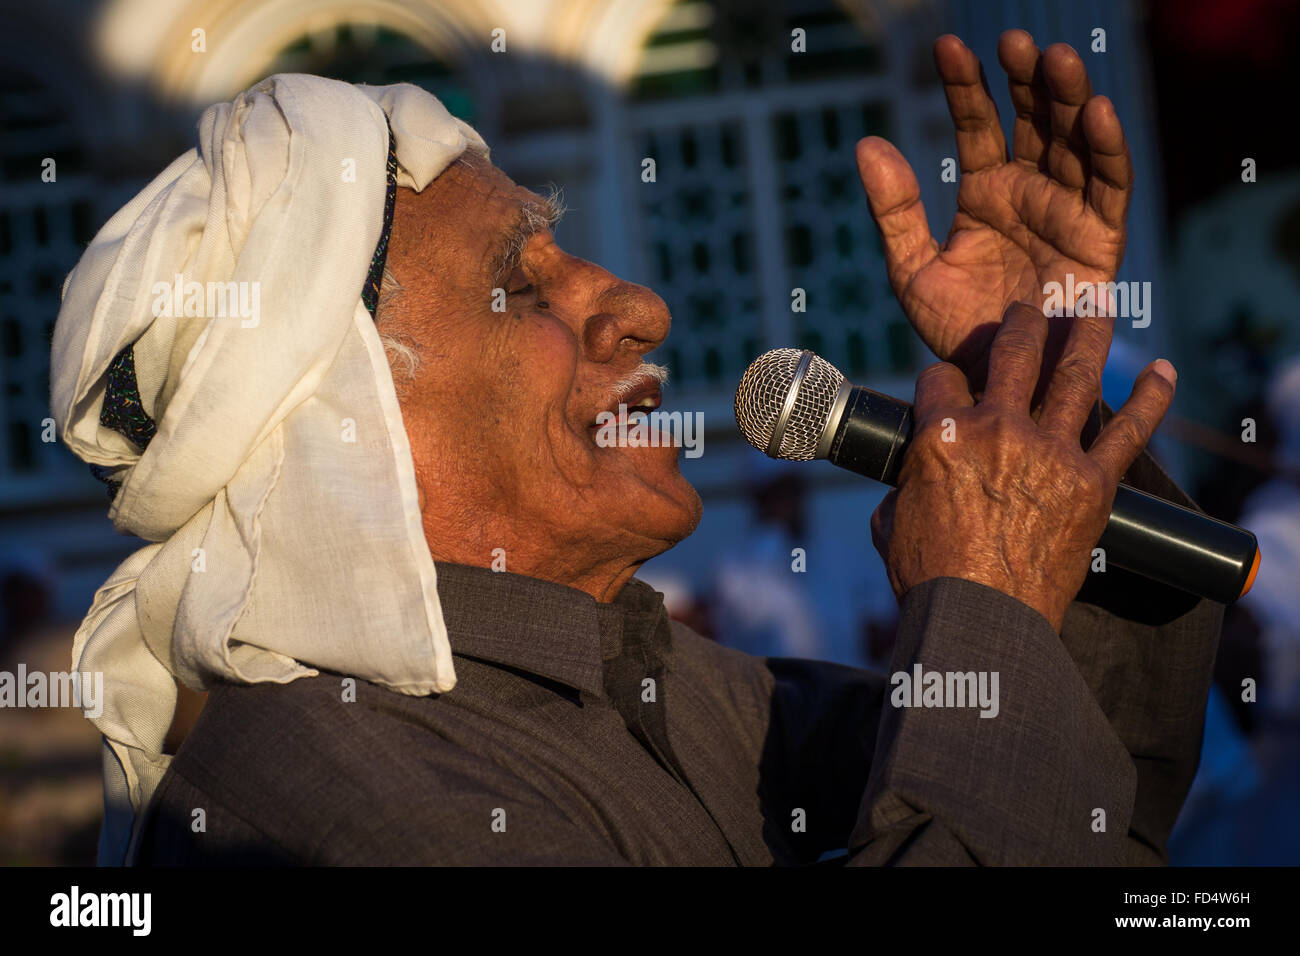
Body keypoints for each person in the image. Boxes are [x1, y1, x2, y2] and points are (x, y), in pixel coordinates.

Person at [52, 31, 1221, 866]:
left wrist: (1024, 380)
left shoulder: (670, 683)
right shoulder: (320, 806)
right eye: (522, 282)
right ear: (342, 430)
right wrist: (986, 594)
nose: (640, 303)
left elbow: (1082, 809)